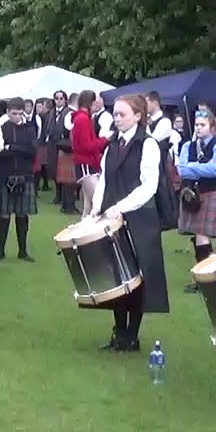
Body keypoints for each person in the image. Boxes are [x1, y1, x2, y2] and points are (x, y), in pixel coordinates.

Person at [87, 94, 171, 351]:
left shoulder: (148, 144)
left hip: (140, 218)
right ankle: (118, 332)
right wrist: (96, 208)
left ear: (138, 116)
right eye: (116, 114)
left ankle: (131, 336)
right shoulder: (112, 144)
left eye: (122, 114)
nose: (117, 118)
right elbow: (104, 179)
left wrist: (120, 207)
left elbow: (149, 186)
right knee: (117, 276)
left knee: (137, 277)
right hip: (112, 217)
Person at [177, 110, 216, 291]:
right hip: (193, 194)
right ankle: (210, 277)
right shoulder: (187, 146)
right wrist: (199, 168)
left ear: (212, 127)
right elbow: (182, 171)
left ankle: (208, 278)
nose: (198, 128)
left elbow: (215, 169)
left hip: (213, 192)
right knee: (199, 236)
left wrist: (193, 166)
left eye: (202, 125)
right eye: (197, 125)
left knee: (201, 235)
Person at [0, 98, 39, 261]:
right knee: (4, 215)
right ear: (7, 112)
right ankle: (0, 251)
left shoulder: (30, 128)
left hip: (24, 175)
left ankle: (23, 251)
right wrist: (17, 150)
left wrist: (11, 147)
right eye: (14, 113)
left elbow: (33, 152)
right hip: (4, 175)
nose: (18, 117)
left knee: (22, 214)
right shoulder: (1, 128)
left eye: (20, 113)